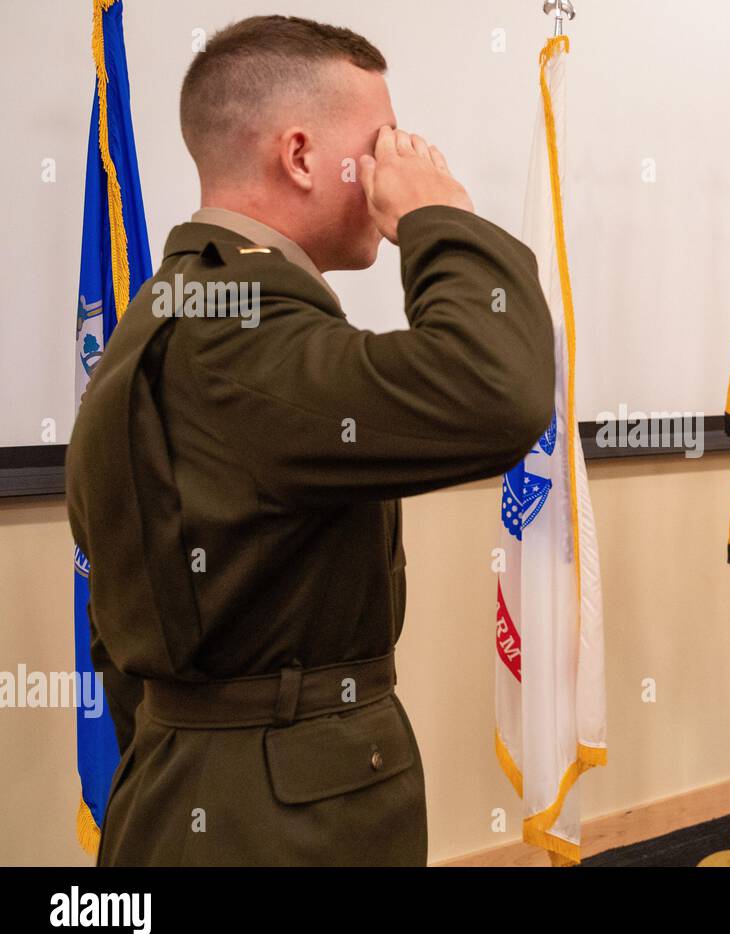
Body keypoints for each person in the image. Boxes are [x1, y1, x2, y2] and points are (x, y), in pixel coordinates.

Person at [65, 15, 555, 865]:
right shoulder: (238, 334)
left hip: (193, 778)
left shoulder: (170, 311)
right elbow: (499, 390)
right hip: (281, 815)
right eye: (380, 144)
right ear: (299, 156)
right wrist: (442, 219)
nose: (394, 167)